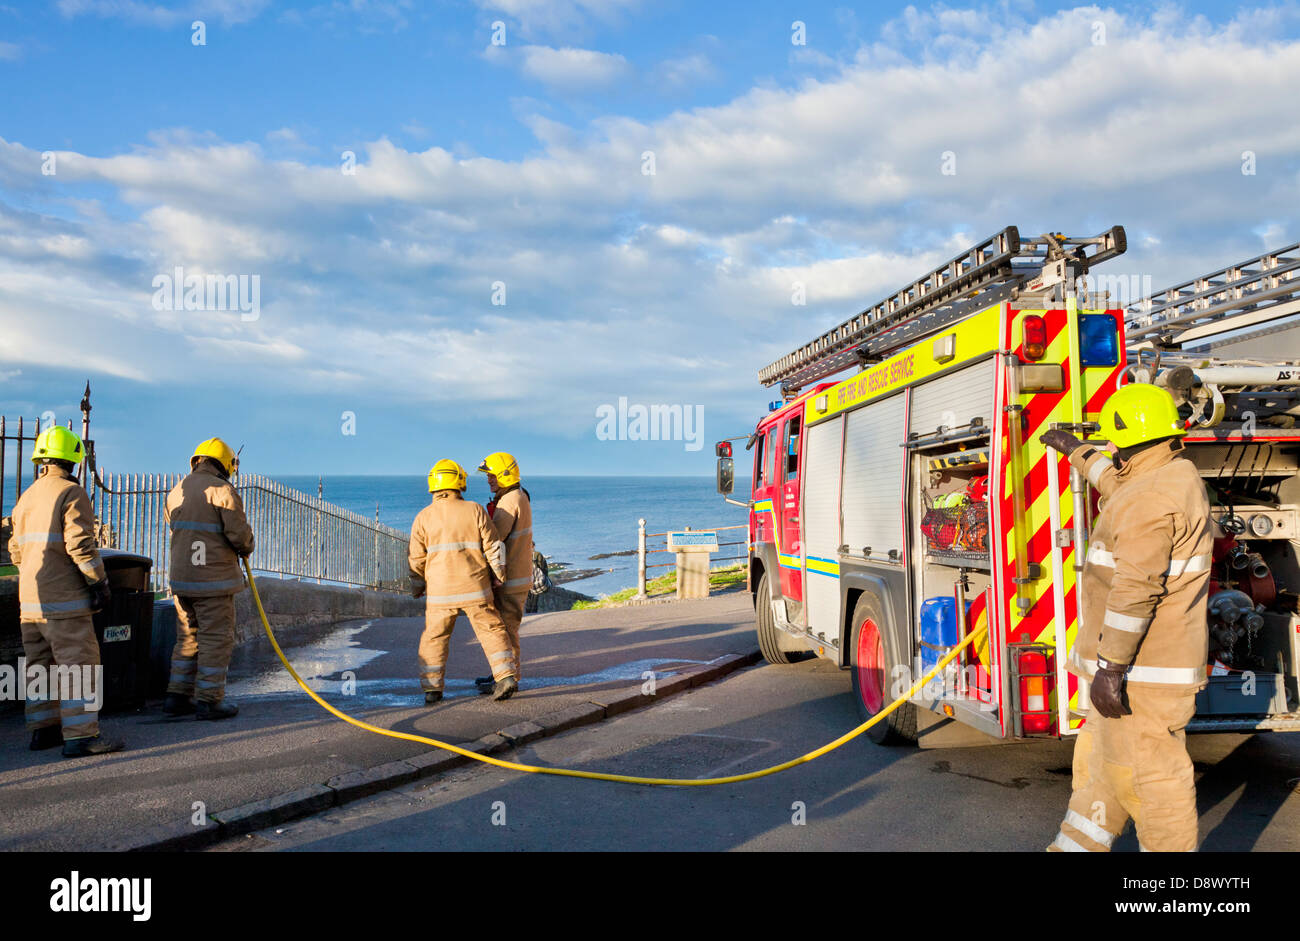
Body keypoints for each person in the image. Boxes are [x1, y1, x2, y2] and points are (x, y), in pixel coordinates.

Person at [1041, 383, 1212, 852]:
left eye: (1112, 441)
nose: (1110, 448)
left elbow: (1135, 592)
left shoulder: (1149, 500)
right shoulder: (1166, 475)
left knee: (1151, 783)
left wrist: (1111, 667)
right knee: (1103, 770)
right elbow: (1119, 482)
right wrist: (1080, 453)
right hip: (1137, 674)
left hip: (1141, 677)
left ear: (1131, 436)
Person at [8, 426, 122, 757]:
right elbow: (81, 546)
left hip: (30, 604)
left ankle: (42, 731)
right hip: (65, 604)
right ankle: (81, 737)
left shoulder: (26, 496)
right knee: (79, 665)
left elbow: (16, 551)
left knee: (39, 666)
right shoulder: (72, 493)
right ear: (74, 459)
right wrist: (98, 582)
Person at [409, 459, 518, 702]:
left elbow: (416, 560)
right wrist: (499, 576)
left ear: (433, 485)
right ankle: (505, 677)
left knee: (434, 638)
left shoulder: (423, 517)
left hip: (439, 593)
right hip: (475, 588)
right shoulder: (475, 510)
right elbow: (493, 547)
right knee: (491, 630)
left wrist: (417, 587)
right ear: (460, 481)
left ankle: (432, 690)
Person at [162, 438, 254, 720]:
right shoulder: (223, 490)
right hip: (212, 582)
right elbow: (240, 536)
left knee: (187, 637)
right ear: (225, 464)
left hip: (182, 580)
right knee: (215, 639)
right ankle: (209, 700)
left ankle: (177, 696)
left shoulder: (177, 490)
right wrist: (247, 546)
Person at [474, 452, 533, 693]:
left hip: (511, 580)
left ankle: (509, 678)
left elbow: (494, 540)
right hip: (518, 577)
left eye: (492, 475)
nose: (489, 479)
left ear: (505, 475)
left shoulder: (508, 502)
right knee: (507, 629)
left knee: (507, 630)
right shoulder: (519, 496)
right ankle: (502, 672)